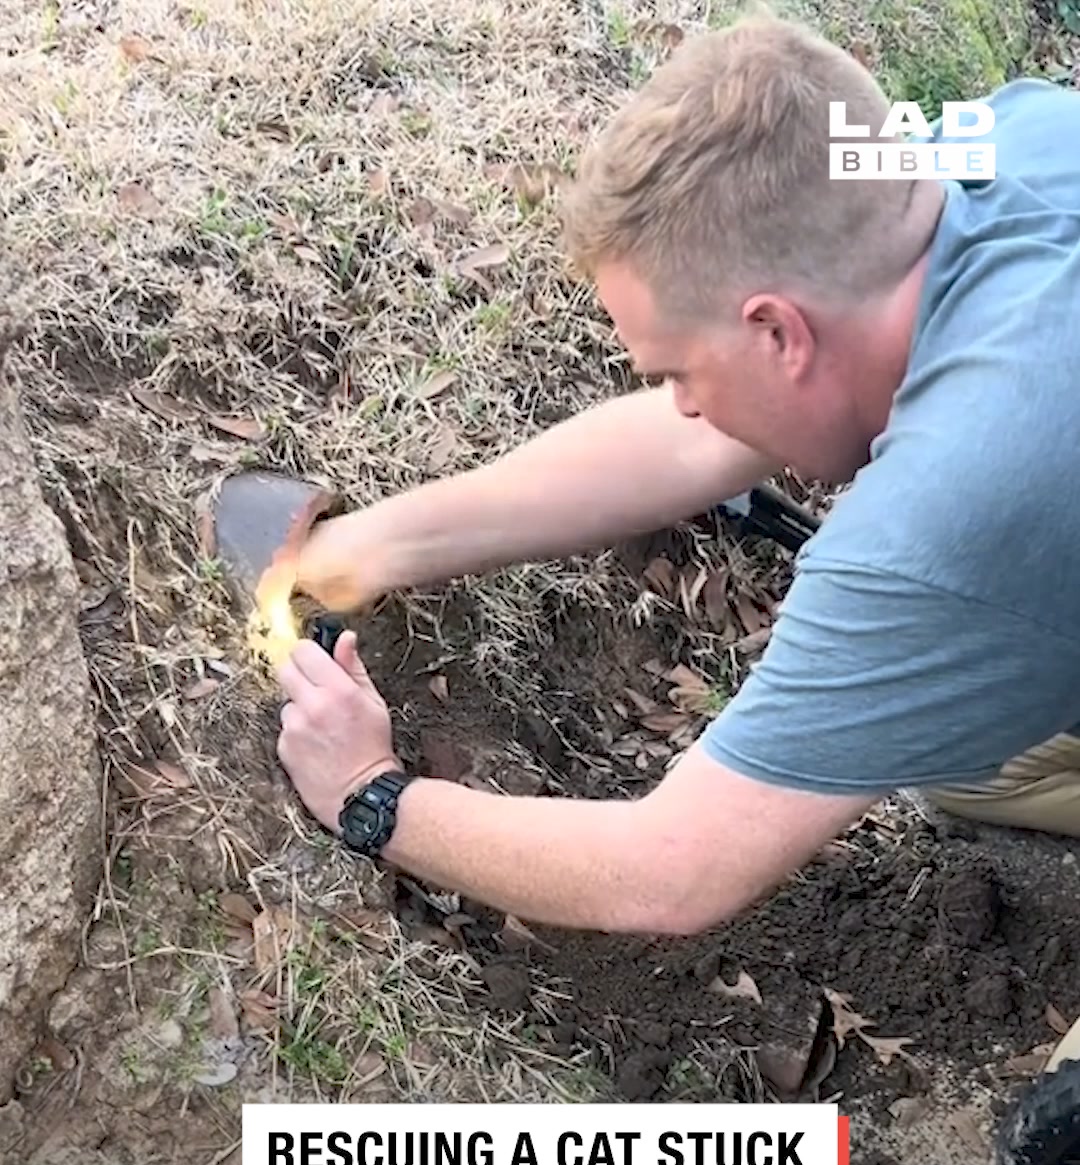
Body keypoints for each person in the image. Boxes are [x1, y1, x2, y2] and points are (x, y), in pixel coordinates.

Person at [275, 16, 1080, 936]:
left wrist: (367, 794)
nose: (683, 403)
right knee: (969, 755)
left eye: (677, 372)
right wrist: (366, 550)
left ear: (778, 332)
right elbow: (691, 442)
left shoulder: (956, 512)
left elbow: (668, 873)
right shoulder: (1004, 138)